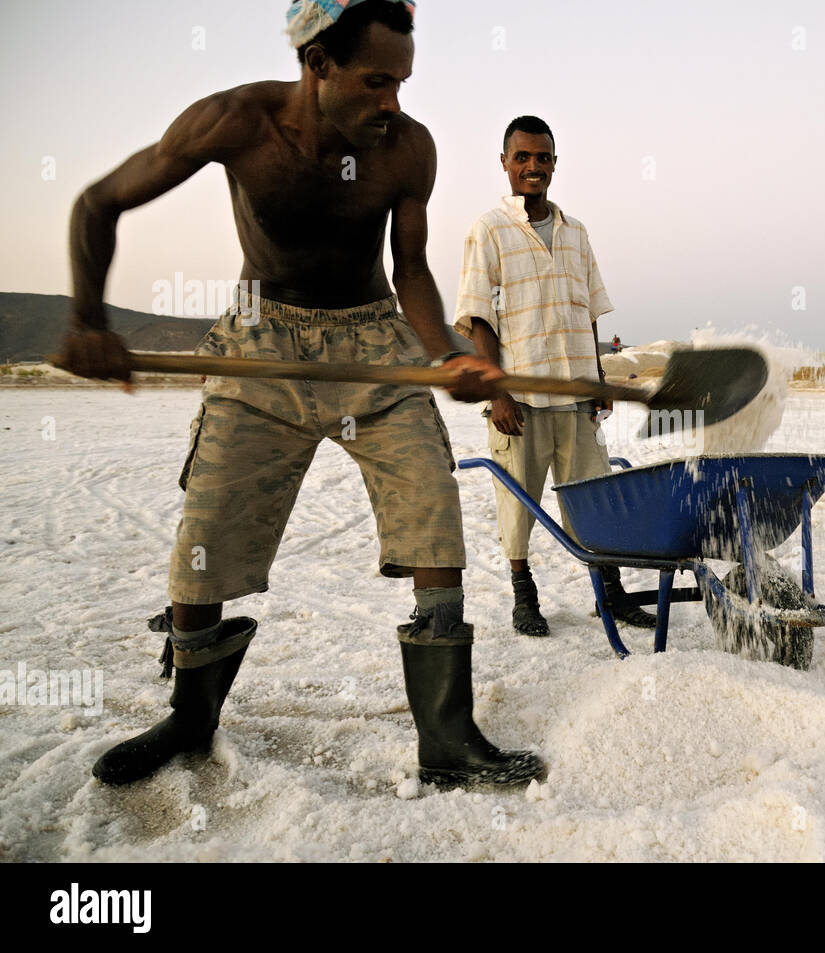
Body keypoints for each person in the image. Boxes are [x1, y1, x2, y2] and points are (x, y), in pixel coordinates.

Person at [54, 0, 543, 787]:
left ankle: (447, 736)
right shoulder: (235, 122)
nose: (393, 105)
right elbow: (97, 203)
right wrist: (85, 318)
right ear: (317, 64)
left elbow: (411, 271)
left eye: (403, 84)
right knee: (205, 539)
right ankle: (189, 716)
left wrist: (448, 353)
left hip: (375, 343)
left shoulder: (409, 148)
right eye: (375, 82)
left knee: (432, 511)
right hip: (261, 347)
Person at [454, 115, 655, 636]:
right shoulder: (489, 230)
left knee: (594, 501)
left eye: (542, 158)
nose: (532, 167)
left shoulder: (575, 232)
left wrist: (594, 381)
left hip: (574, 397)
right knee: (518, 506)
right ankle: (525, 596)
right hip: (519, 401)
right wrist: (498, 395)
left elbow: (587, 312)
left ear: (554, 164)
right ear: (504, 163)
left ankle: (609, 594)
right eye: (522, 158)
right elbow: (480, 318)